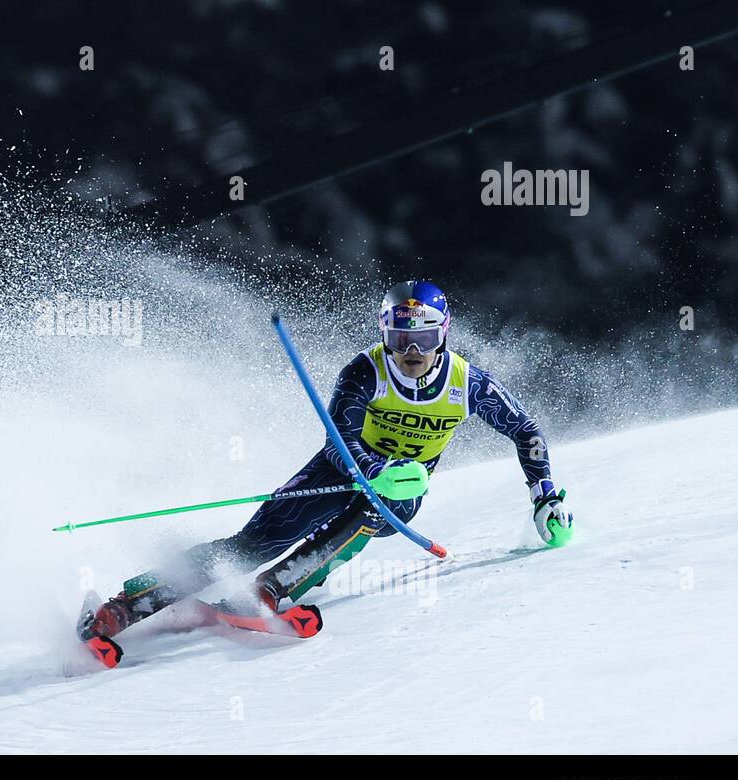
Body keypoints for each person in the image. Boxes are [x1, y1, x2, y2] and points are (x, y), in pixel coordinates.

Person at [79, 280, 574, 661]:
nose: (412, 353)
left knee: (374, 511)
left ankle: (270, 590)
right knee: (251, 543)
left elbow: (526, 431)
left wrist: (545, 495)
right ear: (386, 335)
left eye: (422, 339)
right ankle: (125, 606)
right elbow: (340, 440)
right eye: (401, 339)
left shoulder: (467, 384)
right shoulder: (366, 370)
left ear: (441, 334)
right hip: (340, 469)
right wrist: (371, 467)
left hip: (400, 486)